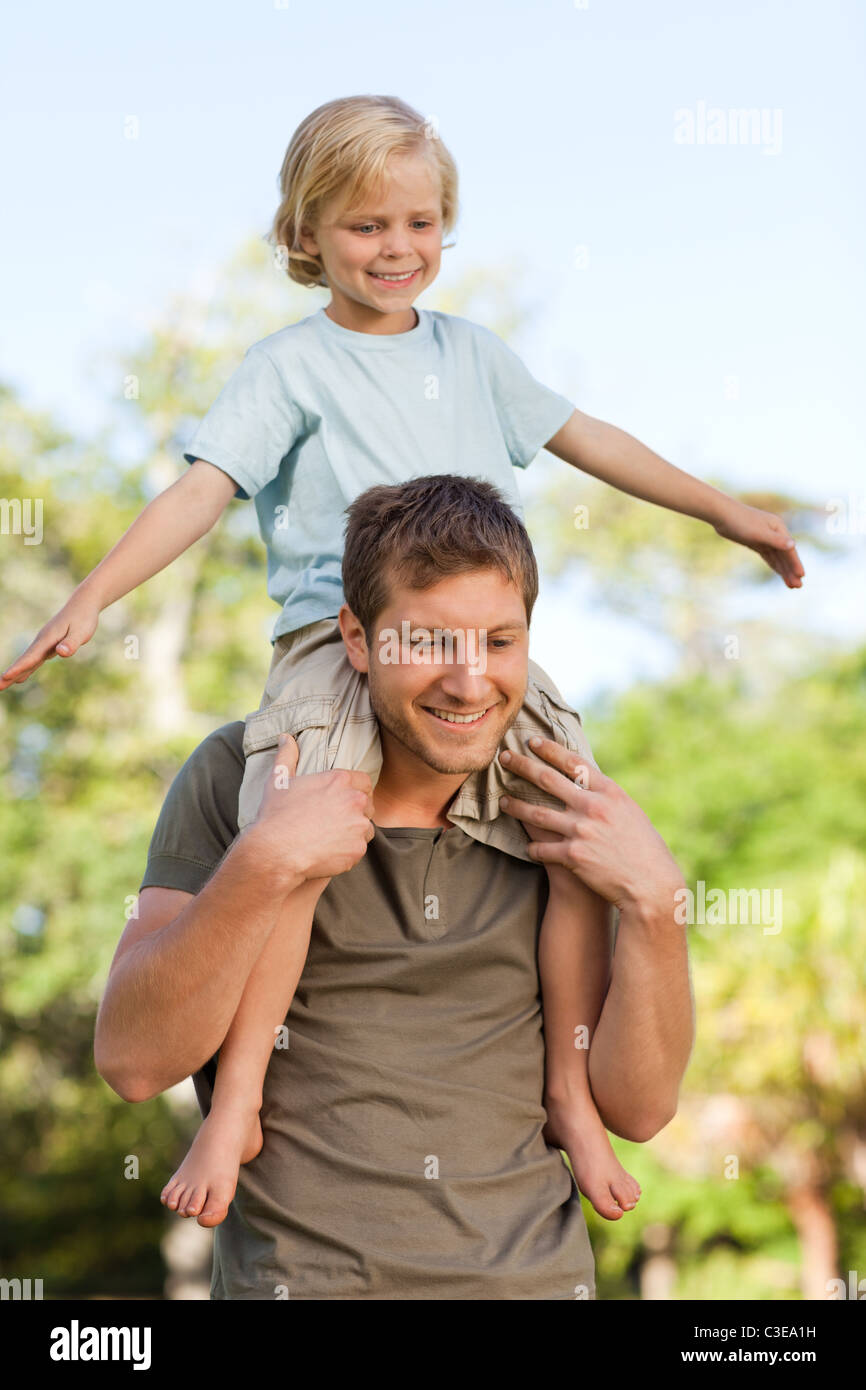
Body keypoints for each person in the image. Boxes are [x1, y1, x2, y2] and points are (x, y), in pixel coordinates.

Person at [4, 95, 800, 1226]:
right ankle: (237, 1101)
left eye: (420, 224)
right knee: (294, 837)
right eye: (365, 226)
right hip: (337, 646)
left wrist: (726, 511)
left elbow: (593, 439)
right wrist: (92, 593)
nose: (397, 249)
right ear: (307, 233)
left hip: (464, 650)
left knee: (570, 828)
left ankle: (568, 1095)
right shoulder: (288, 366)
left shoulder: (473, 356)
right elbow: (200, 489)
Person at [94, 475, 694, 1300]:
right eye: (428, 642)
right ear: (357, 637)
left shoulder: (554, 807)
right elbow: (132, 1062)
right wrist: (266, 862)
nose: (470, 682)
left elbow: (642, 1109)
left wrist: (659, 904)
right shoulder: (240, 775)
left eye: (500, 641)